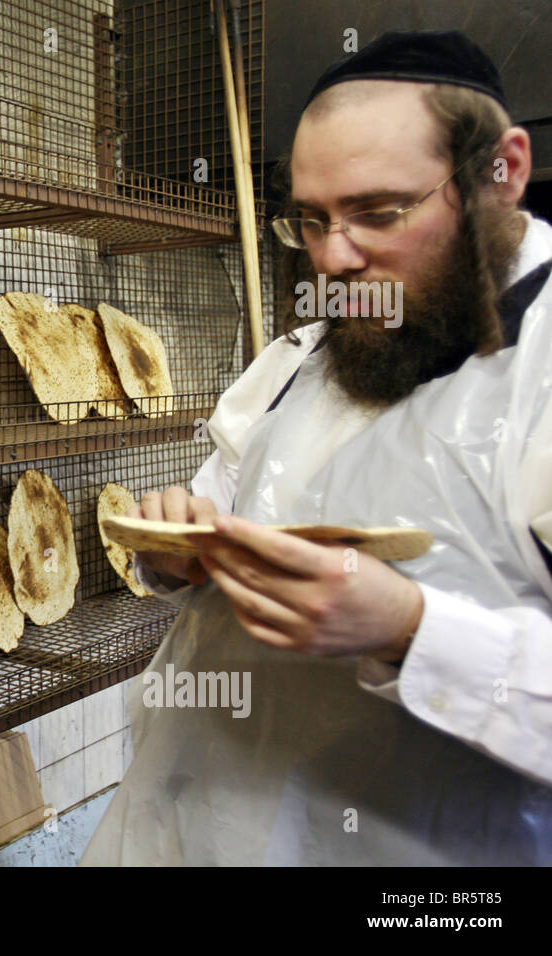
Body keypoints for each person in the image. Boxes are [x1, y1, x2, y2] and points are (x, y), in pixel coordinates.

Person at [82, 30, 552, 865]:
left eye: (380, 213)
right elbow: (209, 521)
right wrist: (176, 545)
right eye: (311, 220)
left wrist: (410, 629)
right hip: (182, 831)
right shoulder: (304, 356)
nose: (333, 257)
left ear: (501, 172)